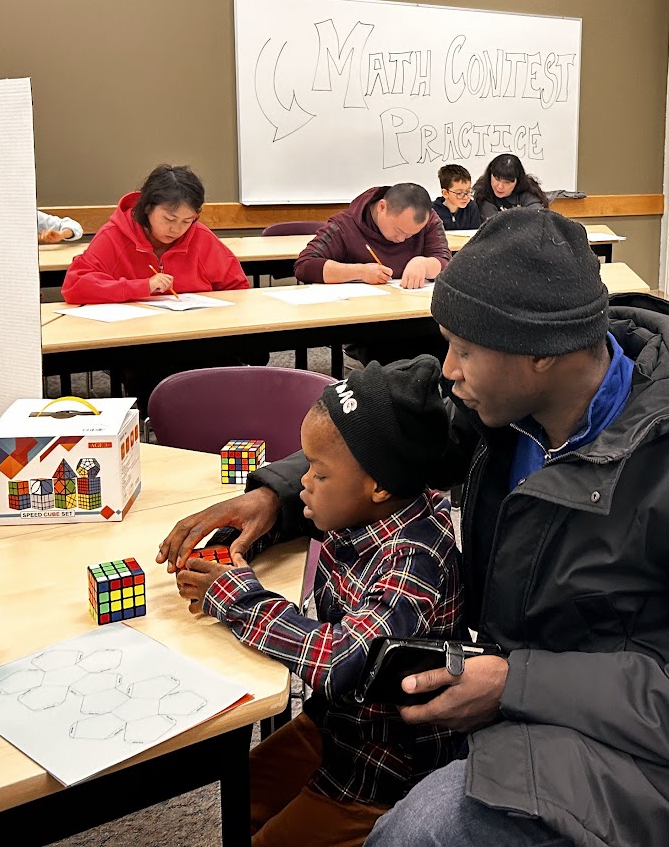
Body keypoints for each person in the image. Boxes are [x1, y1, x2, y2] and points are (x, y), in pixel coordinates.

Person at [158, 208, 669, 847]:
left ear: (542, 356)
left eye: (465, 349)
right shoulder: (508, 414)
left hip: (655, 763)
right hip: (525, 696)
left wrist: (515, 681)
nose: (447, 369)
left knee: (419, 830)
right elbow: (394, 443)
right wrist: (274, 495)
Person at [167, 359, 464, 847]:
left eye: (318, 474)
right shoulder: (369, 510)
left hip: (381, 769)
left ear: (379, 485)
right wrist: (241, 546)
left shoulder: (414, 559)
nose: (303, 483)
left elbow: (342, 659)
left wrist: (237, 596)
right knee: (237, 799)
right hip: (335, 726)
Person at [61, 164, 248, 304]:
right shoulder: (114, 235)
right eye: (169, 219)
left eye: (187, 221)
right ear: (148, 208)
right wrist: (144, 286)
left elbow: (238, 287)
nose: (177, 229)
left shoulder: (200, 237)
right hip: (135, 337)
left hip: (193, 333)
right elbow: (74, 286)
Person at [295, 183, 451, 291]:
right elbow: (304, 266)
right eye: (399, 230)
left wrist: (425, 264)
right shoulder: (345, 225)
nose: (403, 239)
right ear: (382, 207)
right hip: (359, 318)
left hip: (412, 312)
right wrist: (360, 272)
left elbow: (445, 261)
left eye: (412, 234)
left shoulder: (428, 219)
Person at [472, 153, 547, 221]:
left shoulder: (529, 191)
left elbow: (537, 218)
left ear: (517, 181)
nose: (500, 186)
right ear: (490, 174)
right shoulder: (483, 194)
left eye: (507, 182)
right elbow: (494, 226)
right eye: (497, 179)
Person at [431, 164, 481, 231]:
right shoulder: (433, 211)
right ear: (445, 193)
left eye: (468, 191)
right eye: (459, 193)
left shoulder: (472, 207)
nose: (465, 197)